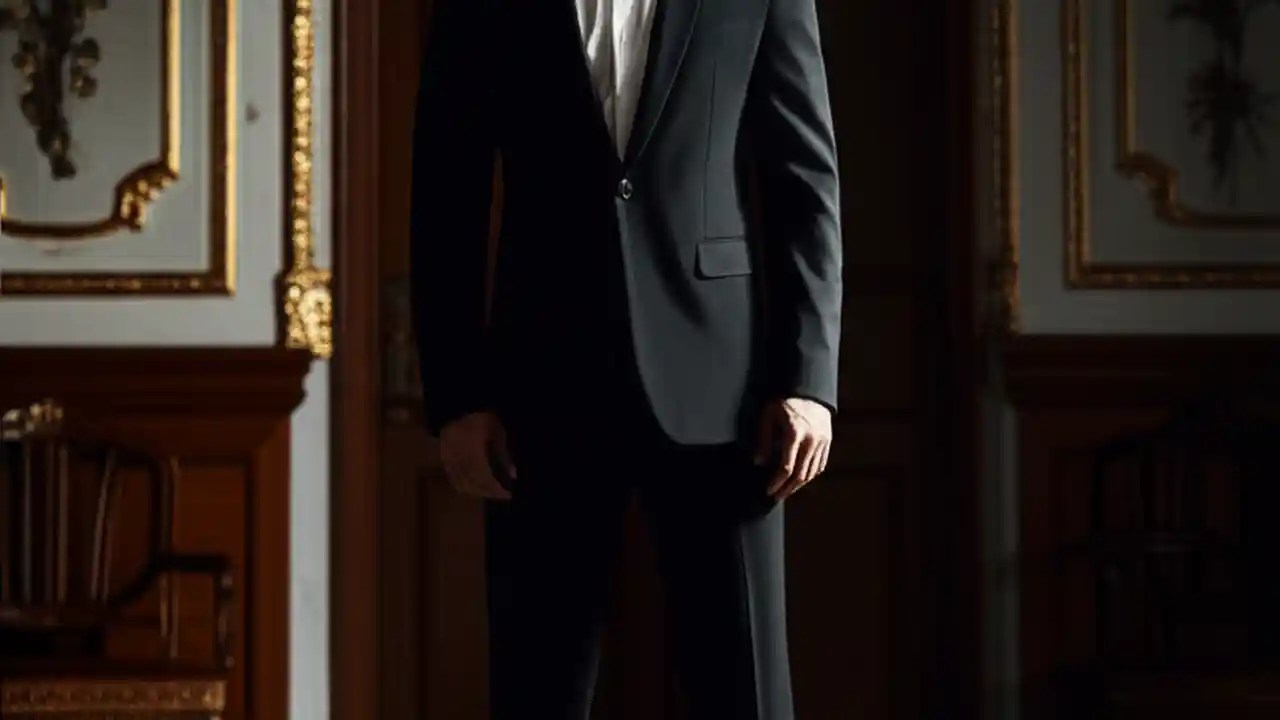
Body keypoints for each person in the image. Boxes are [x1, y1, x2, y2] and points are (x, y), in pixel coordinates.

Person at [410, 0, 842, 716]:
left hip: (726, 391)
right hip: (543, 384)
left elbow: (807, 183)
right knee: (536, 691)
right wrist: (458, 395)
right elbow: (445, 192)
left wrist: (808, 379)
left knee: (749, 696)